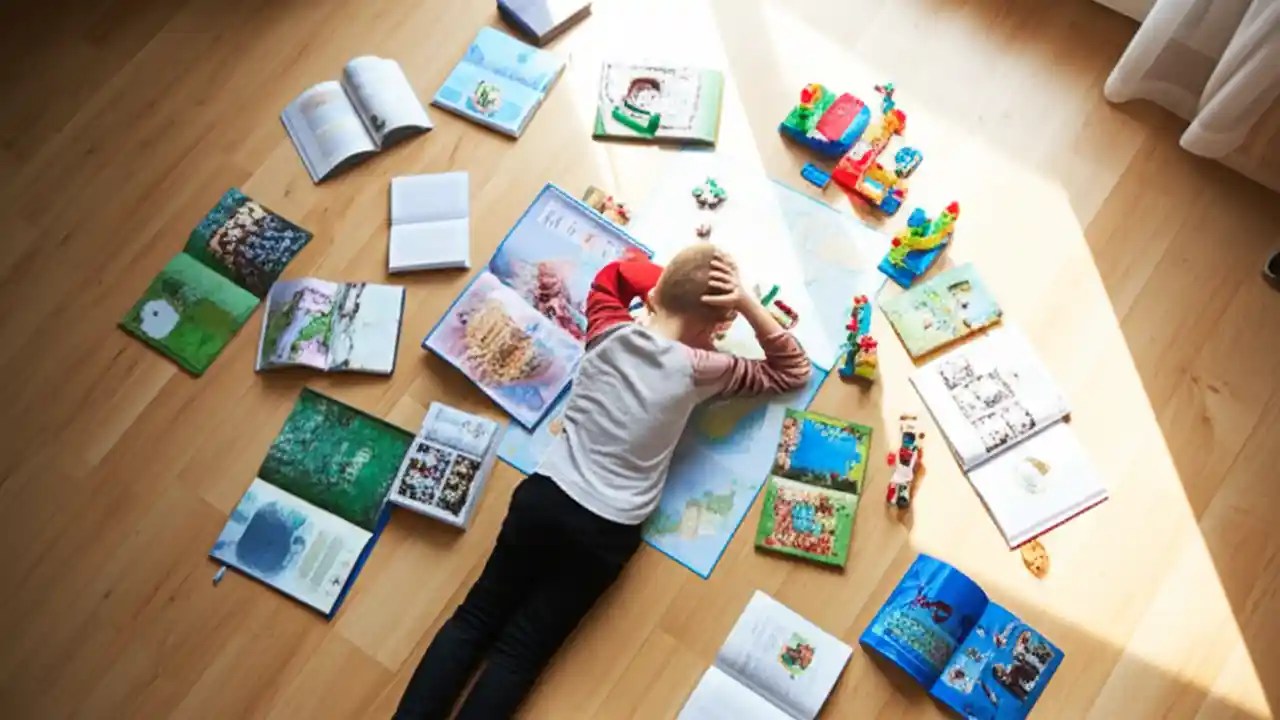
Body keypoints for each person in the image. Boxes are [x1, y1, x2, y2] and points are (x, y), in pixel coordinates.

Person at [393, 244, 811, 719]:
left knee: (475, 618)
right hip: (607, 530)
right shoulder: (704, 369)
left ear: (652, 295)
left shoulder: (606, 327)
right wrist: (748, 305)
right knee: (521, 651)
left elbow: (614, 274)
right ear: (716, 329)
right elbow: (791, 370)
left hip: (545, 498)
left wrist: (666, 288)